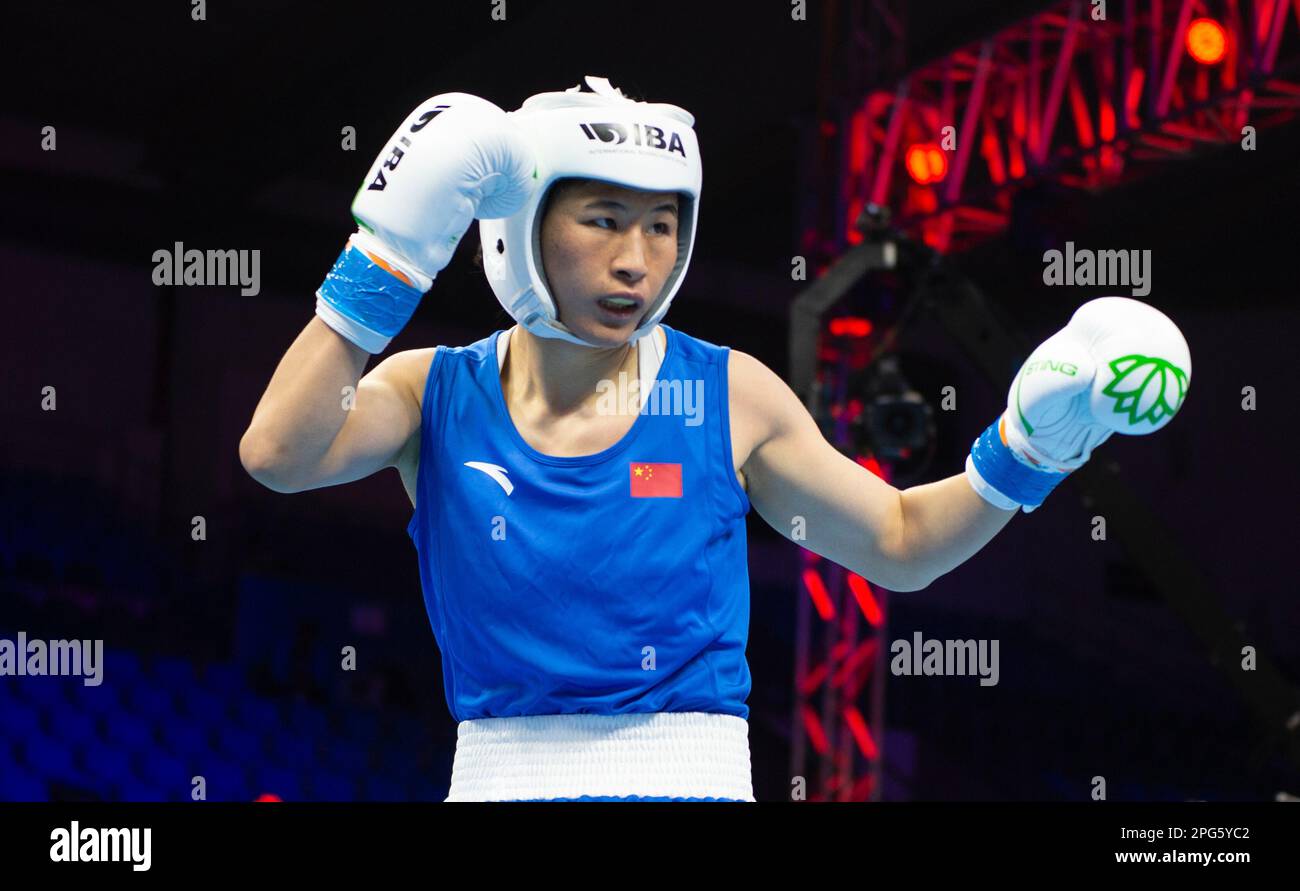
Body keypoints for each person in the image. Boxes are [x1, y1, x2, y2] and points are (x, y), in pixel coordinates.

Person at [238, 76, 1192, 801]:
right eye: (604, 219)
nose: (635, 261)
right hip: (494, 775)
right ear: (521, 225)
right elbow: (278, 457)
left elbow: (900, 545)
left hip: (691, 778)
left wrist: (1029, 449)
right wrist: (386, 260)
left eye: (662, 227)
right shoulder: (432, 388)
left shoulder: (729, 394)